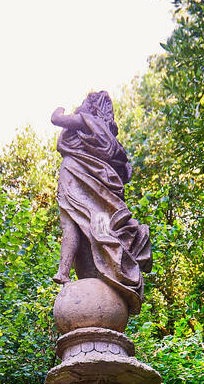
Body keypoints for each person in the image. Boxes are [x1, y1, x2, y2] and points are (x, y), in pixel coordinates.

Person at [51, 91, 153, 315]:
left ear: (91, 107)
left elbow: (56, 118)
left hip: (73, 176)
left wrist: (59, 107)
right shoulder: (106, 134)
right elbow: (122, 169)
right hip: (94, 183)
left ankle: (63, 271)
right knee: (93, 225)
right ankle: (84, 270)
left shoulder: (86, 121)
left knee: (71, 224)